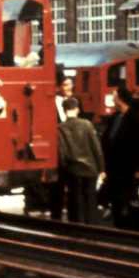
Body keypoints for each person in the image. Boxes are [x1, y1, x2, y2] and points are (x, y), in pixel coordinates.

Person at [101, 86, 139, 229]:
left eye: (114, 96)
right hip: (114, 168)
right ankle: (119, 226)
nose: (112, 99)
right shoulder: (114, 118)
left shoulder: (136, 119)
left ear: (120, 99)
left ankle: (134, 227)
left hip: (130, 168)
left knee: (131, 199)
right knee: (116, 199)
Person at [58, 97, 105, 224]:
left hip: (73, 170)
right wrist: (101, 168)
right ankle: (92, 226)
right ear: (77, 109)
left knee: (75, 201)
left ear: (64, 110)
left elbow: (62, 153)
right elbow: (96, 148)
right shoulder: (87, 124)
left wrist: (63, 169)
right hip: (90, 169)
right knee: (90, 200)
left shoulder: (61, 128)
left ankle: (78, 228)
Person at [45, 74, 75, 220]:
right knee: (56, 185)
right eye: (65, 85)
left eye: (70, 84)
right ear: (59, 87)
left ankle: (73, 216)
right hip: (57, 150)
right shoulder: (51, 103)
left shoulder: (76, 102)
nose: (68, 88)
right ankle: (55, 215)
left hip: (73, 151)